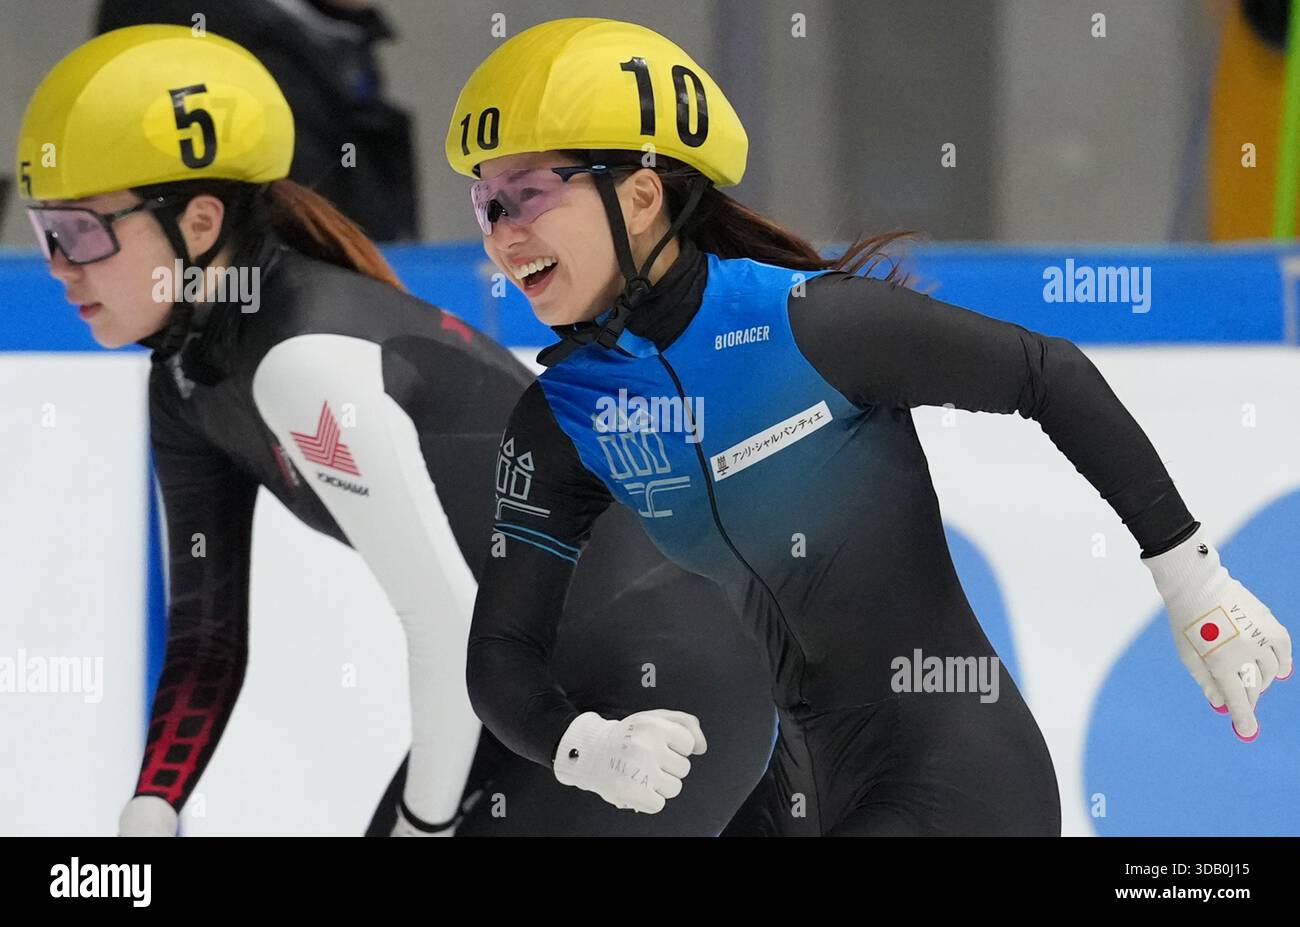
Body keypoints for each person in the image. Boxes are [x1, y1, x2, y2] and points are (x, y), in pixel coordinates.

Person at [448, 17, 1295, 836]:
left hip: (960, 788)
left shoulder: (807, 327)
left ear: (638, 196)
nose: (503, 235)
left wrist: (1194, 582)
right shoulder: (564, 418)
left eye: (528, 195)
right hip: (801, 790)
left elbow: (1048, 373)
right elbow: (501, 653)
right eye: (487, 205)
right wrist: (582, 745)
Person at [16, 24, 775, 837]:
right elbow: (207, 633)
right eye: (43, 233)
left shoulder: (302, 363)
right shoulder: (186, 374)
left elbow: (443, 622)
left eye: (80, 233)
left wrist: (424, 823)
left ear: (199, 224)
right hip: (528, 689)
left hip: (657, 687)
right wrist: (152, 804)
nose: (60, 266)